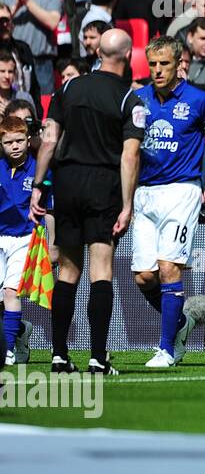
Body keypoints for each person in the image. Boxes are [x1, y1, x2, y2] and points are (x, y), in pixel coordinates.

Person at [28, 28, 143, 375]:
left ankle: (59, 355)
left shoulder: (68, 88)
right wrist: (127, 204)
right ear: (126, 57)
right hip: (103, 184)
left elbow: (48, 141)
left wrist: (38, 186)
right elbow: (130, 156)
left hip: (67, 182)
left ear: (98, 54)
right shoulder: (129, 100)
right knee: (101, 269)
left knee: (67, 269)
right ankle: (96, 357)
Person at [132, 35, 205, 368]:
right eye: (152, 64)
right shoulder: (138, 100)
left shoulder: (199, 100)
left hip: (182, 191)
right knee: (144, 277)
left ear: (181, 64)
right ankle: (182, 322)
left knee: (169, 269)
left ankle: (167, 348)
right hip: (144, 192)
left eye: (164, 64)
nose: (157, 70)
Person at [0, 114, 36, 366]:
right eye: (8, 142)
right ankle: (20, 331)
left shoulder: (39, 168)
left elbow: (49, 207)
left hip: (25, 238)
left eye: (19, 140)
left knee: (11, 292)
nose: (14, 146)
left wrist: (51, 243)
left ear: (28, 139)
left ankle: (8, 349)